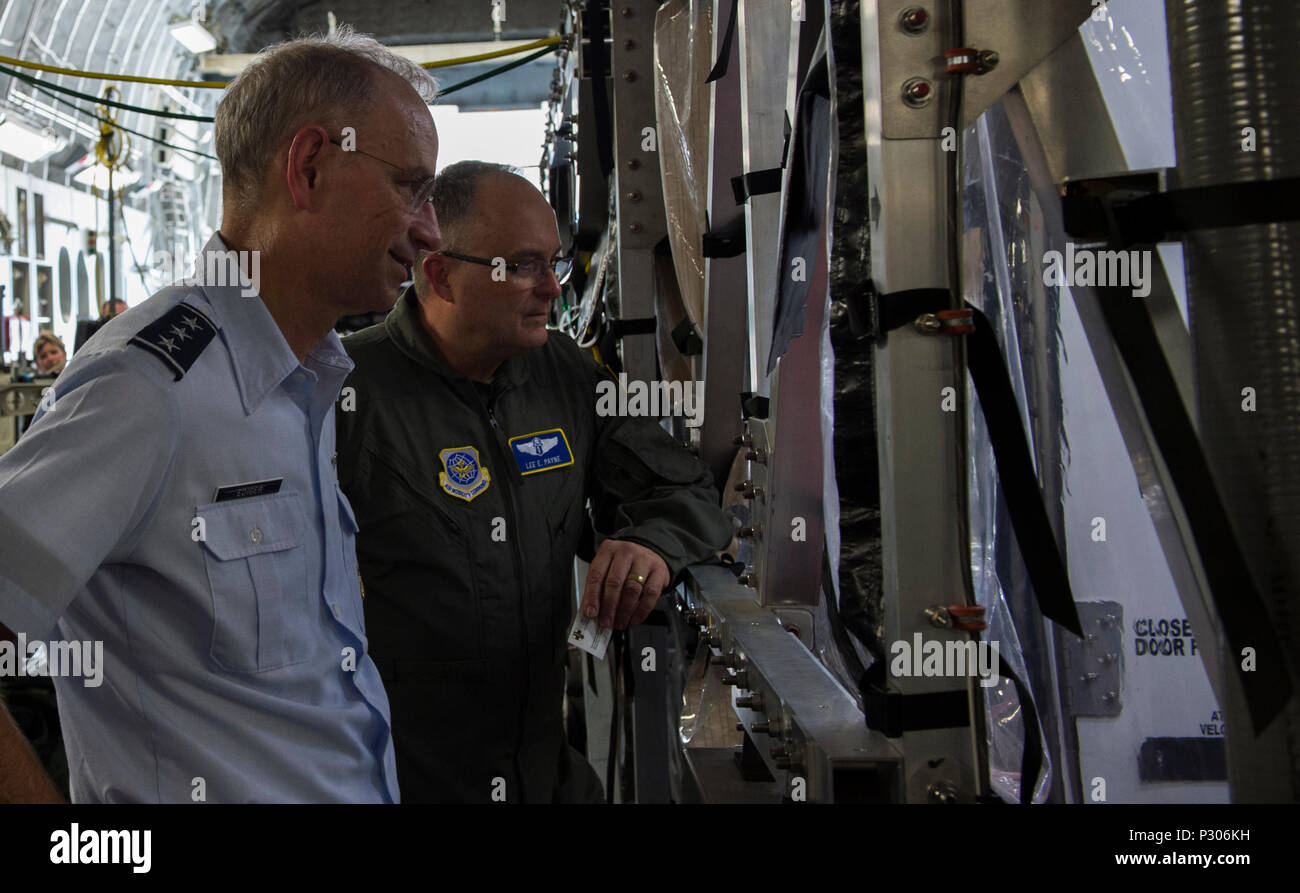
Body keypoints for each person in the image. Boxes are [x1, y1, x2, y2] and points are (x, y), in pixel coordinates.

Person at [0, 28, 441, 803]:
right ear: (308, 166)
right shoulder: (151, 386)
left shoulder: (304, 380)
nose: (431, 229)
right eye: (411, 186)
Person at [336, 161, 732, 803]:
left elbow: (682, 487)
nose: (551, 286)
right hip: (399, 780)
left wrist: (651, 544)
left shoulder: (565, 377)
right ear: (439, 273)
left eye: (553, 261)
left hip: (542, 771)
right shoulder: (344, 395)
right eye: (521, 265)